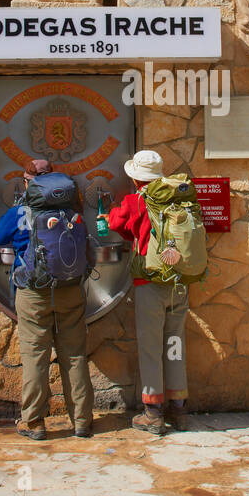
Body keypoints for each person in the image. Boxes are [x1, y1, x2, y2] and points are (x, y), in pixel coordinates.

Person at [0, 159, 93, 440]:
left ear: (28, 182)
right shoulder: (71, 208)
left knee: (36, 356)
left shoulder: (22, 210)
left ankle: (34, 422)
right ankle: (82, 421)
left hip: (34, 293)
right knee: (74, 355)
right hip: (70, 290)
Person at [107, 150, 191, 435]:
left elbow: (115, 223)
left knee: (151, 347)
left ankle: (153, 412)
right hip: (179, 282)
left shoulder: (136, 201)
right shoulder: (180, 196)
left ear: (135, 178)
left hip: (150, 284)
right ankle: (179, 409)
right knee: (175, 344)